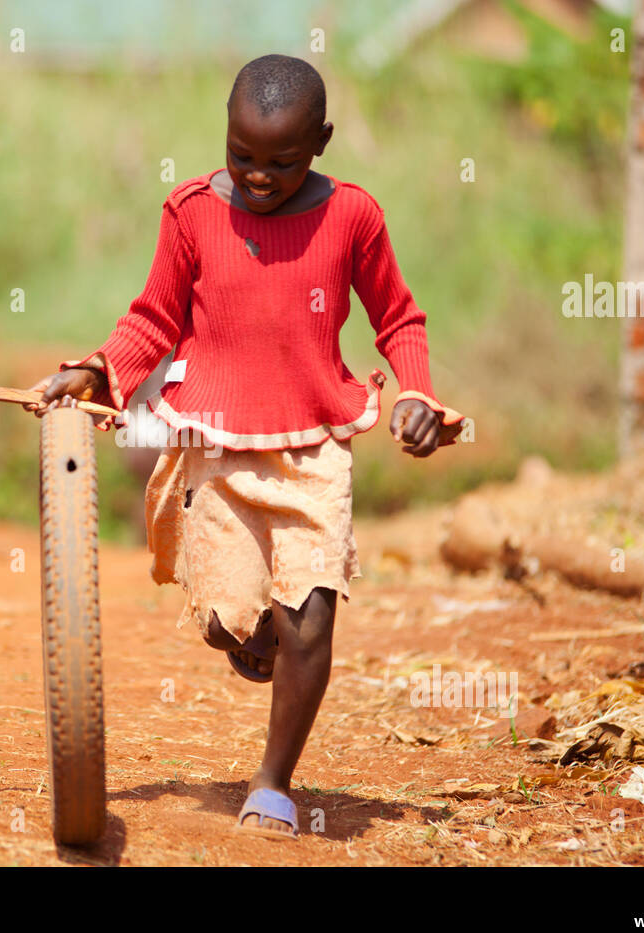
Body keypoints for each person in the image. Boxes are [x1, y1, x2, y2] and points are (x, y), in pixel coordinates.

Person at [26, 54, 463, 839]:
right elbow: (154, 320)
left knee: (312, 619)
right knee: (229, 620)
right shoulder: (191, 211)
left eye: (283, 162)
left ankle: (273, 783)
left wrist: (418, 396)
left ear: (322, 141)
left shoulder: (354, 216)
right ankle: (250, 633)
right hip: (219, 445)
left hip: (314, 447)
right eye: (243, 155)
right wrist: (99, 372)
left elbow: (399, 318)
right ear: (224, 136)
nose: (259, 178)